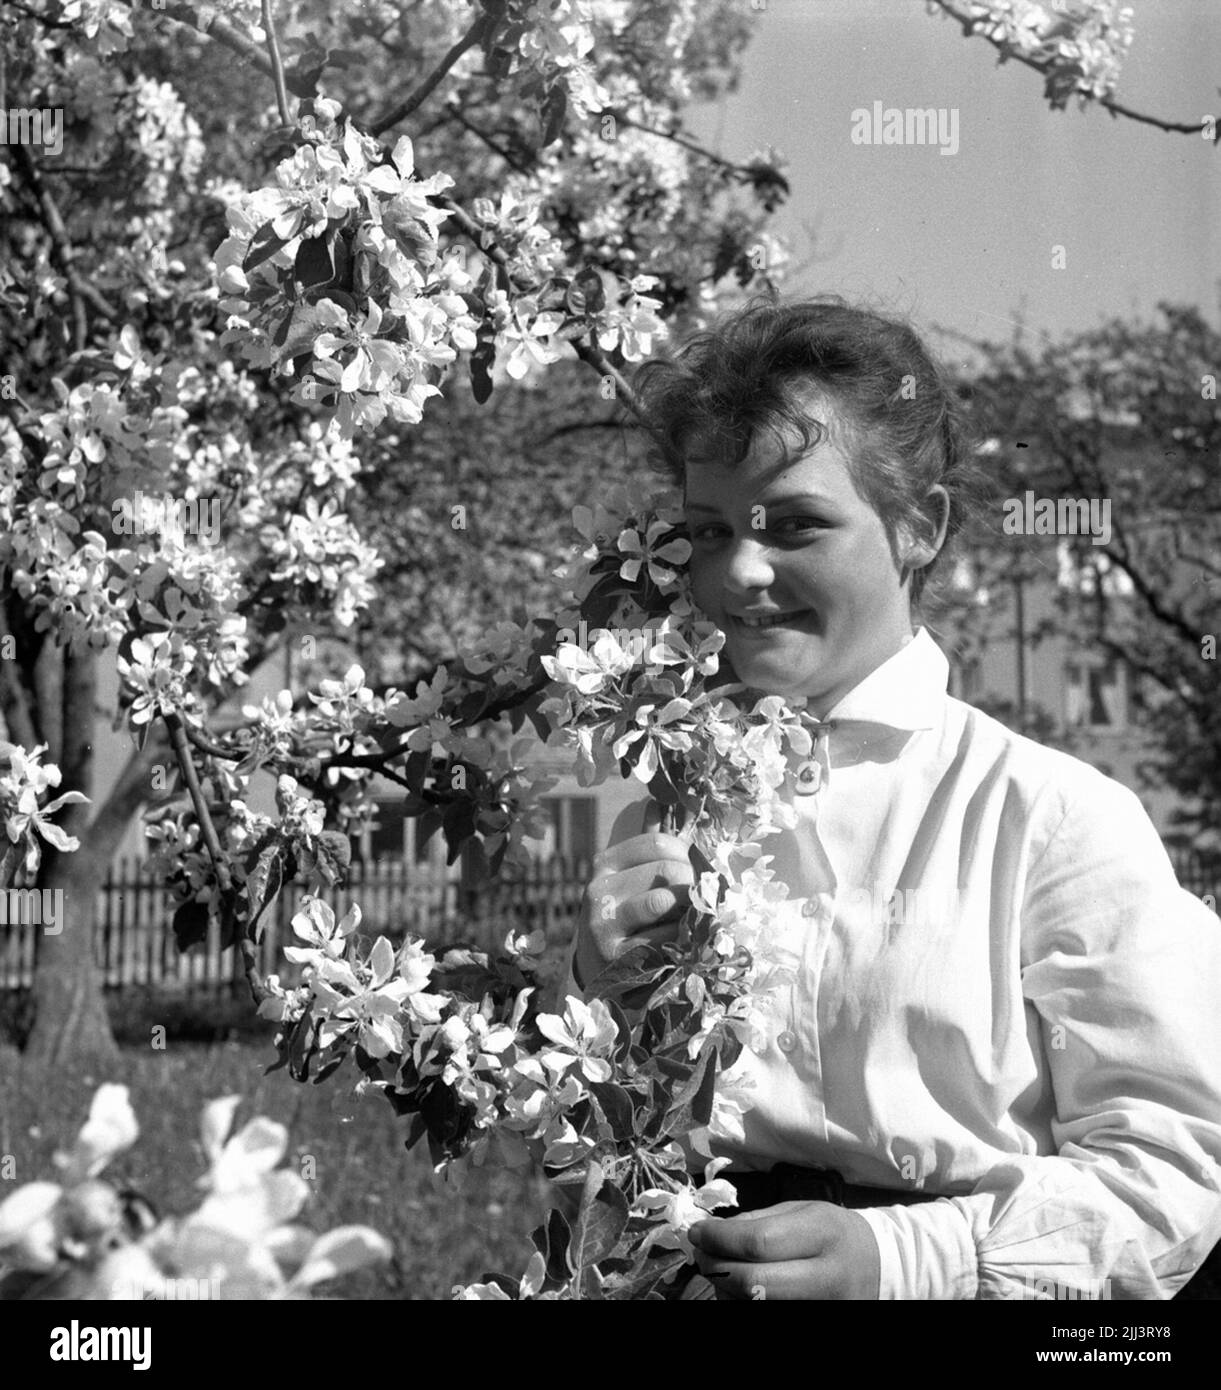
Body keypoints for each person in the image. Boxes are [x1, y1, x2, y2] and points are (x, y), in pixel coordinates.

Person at [565, 296, 1221, 1300]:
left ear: (919, 527)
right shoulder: (667, 805)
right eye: (708, 530)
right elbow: (604, 1152)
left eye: (795, 525)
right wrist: (598, 998)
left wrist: (902, 1257)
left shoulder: (1048, 819)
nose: (739, 572)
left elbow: (1175, 1174)